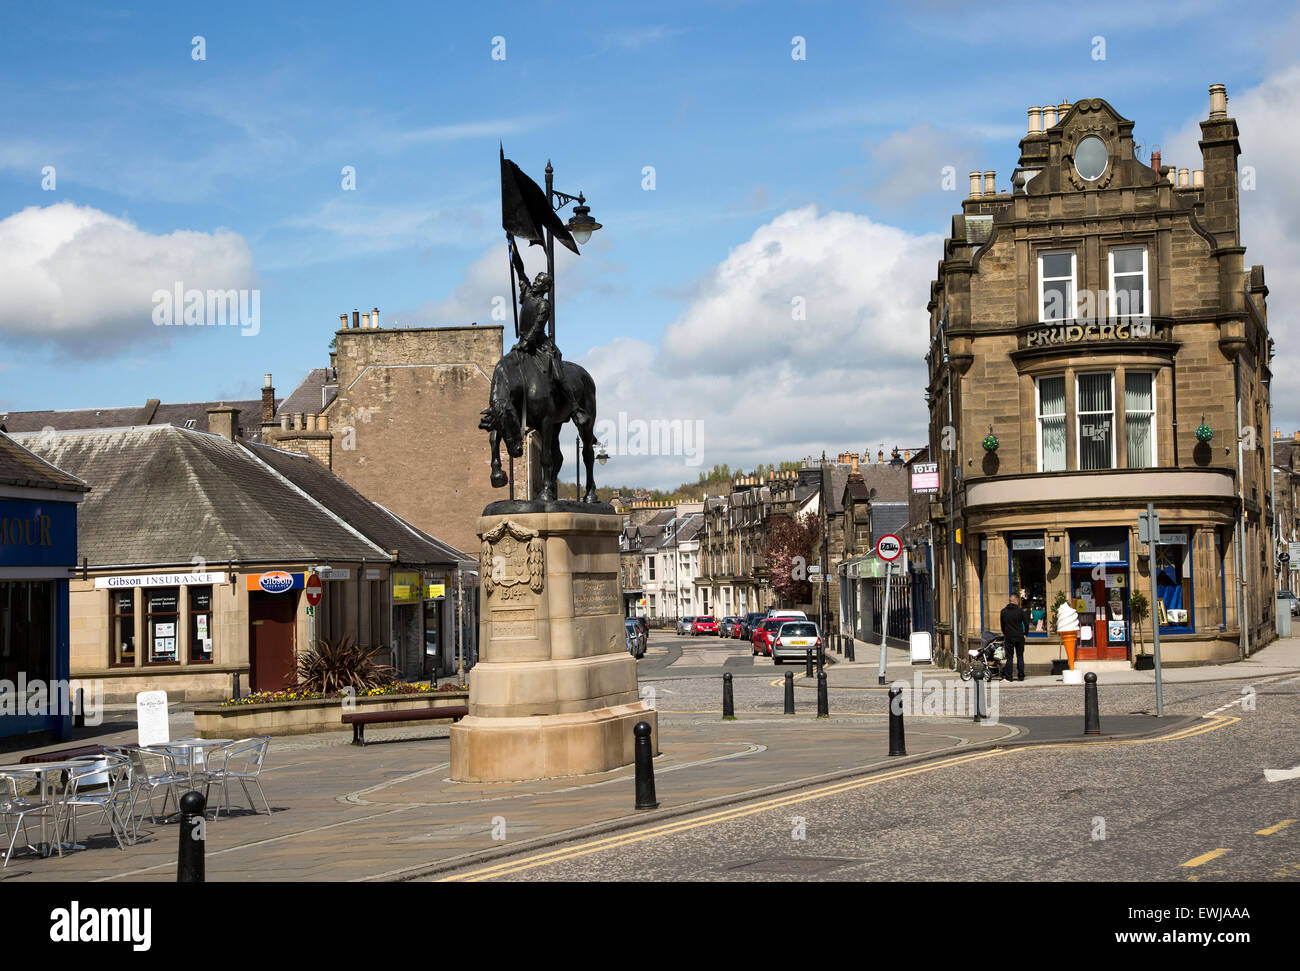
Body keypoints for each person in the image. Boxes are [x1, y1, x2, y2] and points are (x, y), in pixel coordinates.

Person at [999, 592, 1029, 681]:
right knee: (1020, 656)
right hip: (1019, 636)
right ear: (1016, 600)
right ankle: (1021, 676)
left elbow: (1002, 625)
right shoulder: (1020, 611)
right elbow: (1026, 624)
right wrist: (1025, 634)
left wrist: (1005, 633)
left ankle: (1009, 676)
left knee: (1009, 658)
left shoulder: (1003, 611)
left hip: (1009, 636)